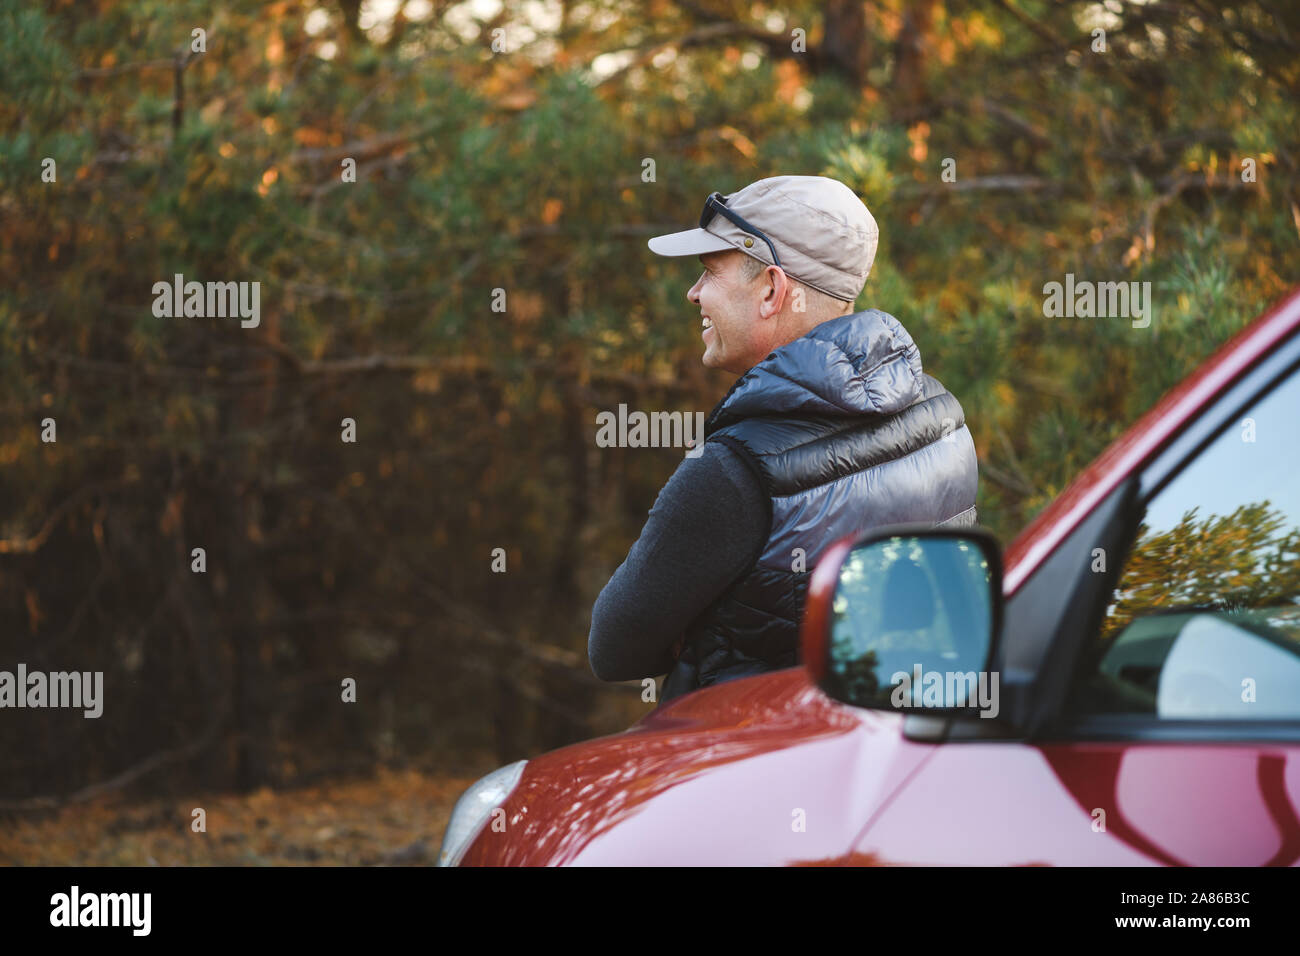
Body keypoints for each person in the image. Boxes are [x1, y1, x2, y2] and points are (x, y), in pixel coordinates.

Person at [587, 175, 978, 702]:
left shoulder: (734, 470)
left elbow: (613, 648)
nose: (693, 293)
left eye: (708, 273)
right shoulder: (942, 419)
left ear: (772, 290)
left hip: (746, 766)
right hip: (881, 762)